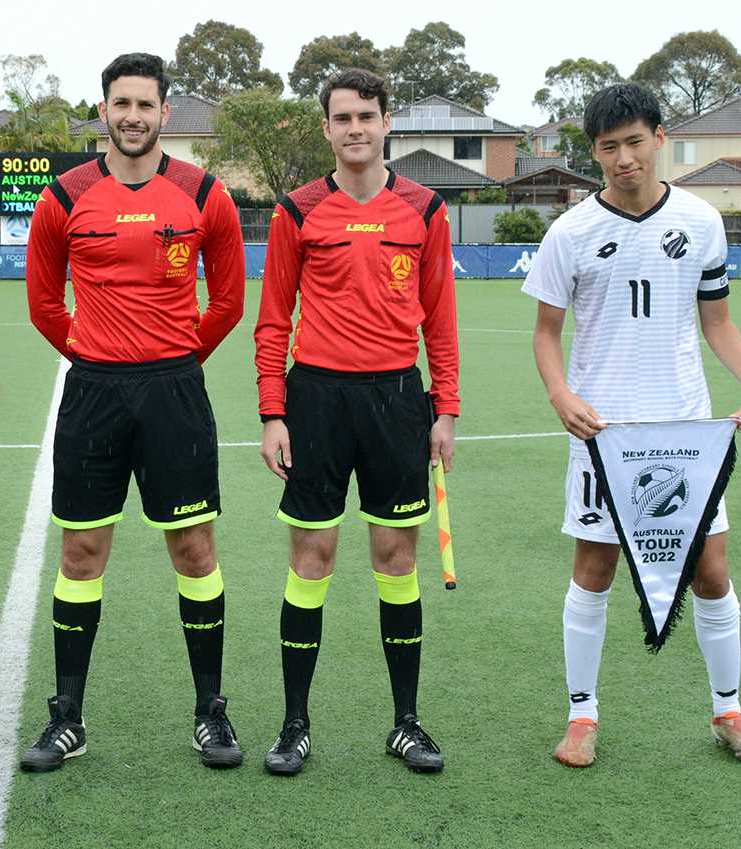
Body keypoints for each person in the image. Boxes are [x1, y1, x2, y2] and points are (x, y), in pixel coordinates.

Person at [522, 83, 741, 768]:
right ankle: (581, 717)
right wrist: (560, 394)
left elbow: (717, 321)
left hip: (686, 432)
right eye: (609, 147)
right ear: (595, 152)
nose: (624, 158)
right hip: (603, 434)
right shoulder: (571, 232)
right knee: (594, 568)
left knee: (711, 573)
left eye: (635, 142)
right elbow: (546, 333)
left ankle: (728, 711)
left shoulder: (701, 221)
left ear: (660, 138)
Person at [20, 52, 246, 771]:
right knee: (81, 552)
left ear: (165, 113)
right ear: (103, 111)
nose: (133, 116)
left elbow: (229, 301)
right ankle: (68, 717)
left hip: (175, 391)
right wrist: (94, 354)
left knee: (195, 549)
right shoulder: (64, 198)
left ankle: (210, 712)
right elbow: (44, 304)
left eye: (146, 104)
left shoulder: (205, 194)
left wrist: (175, 357)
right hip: (93, 392)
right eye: (121, 103)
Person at [253, 68, 459, 777]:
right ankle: (294, 724)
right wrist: (273, 412)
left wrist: (446, 408)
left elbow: (440, 319)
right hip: (316, 400)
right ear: (327, 128)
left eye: (366, 116)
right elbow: (273, 319)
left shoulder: (426, 209)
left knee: (396, 560)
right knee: (311, 558)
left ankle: (406, 722)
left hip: (398, 400)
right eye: (342, 118)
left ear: (386, 122)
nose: (355, 129)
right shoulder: (298, 210)